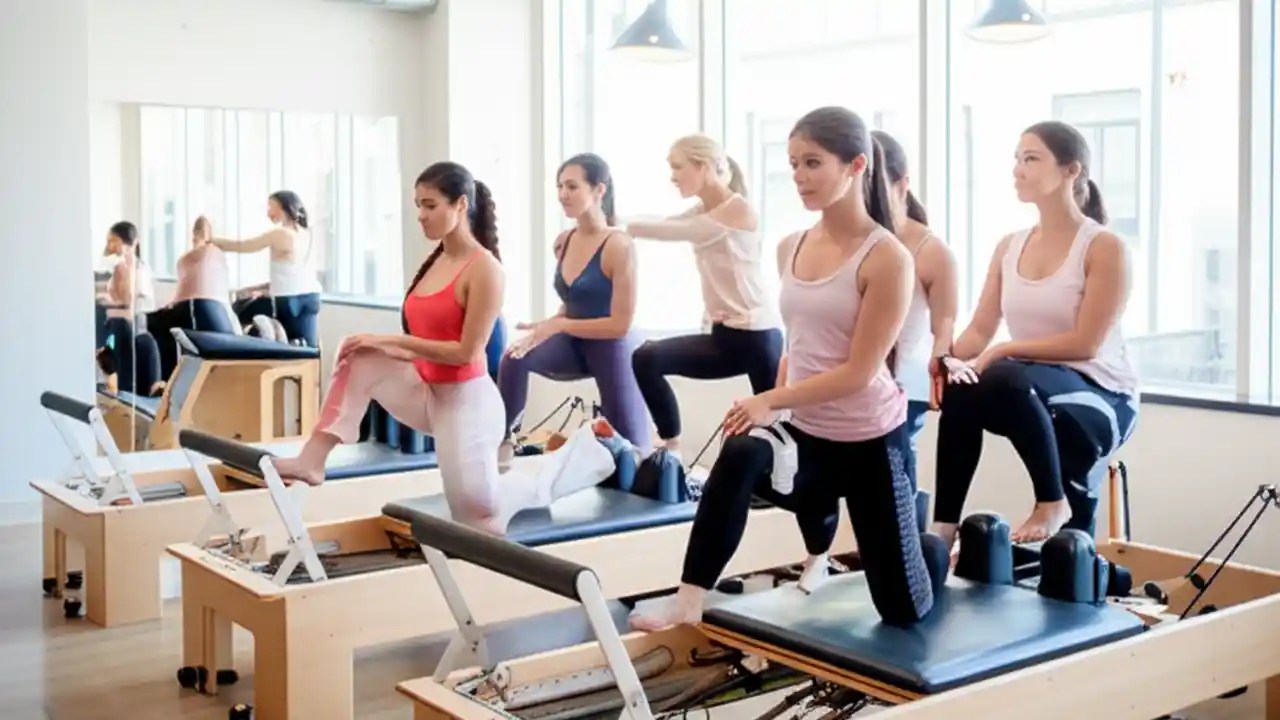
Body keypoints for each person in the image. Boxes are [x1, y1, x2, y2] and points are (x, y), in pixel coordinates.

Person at [629, 107, 948, 632]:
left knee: (903, 611)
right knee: (742, 451)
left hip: (871, 442)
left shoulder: (888, 258)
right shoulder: (791, 248)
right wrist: (774, 407)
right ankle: (688, 598)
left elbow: (860, 372)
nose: (799, 176)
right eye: (794, 163)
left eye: (813, 163)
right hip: (808, 439)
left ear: (856, 166)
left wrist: (770, 401)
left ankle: (929, 553)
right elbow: (799, 345)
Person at [271, 162, 608, 534]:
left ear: (461, 205)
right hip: (427, 393)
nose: (421, 215)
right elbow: (424, 342)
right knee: (361, 356)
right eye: (418, 205)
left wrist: (391, 340)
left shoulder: (486, 270)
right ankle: (312, 460)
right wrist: (385, 348)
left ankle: (568, 466)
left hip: (468, 404)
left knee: (480, 518)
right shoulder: (436, 261)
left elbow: (466, 353)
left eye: (430, 205)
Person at [930, 120, 1140, 549]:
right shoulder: (1010, 246)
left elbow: (1086, 344)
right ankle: (943, 529)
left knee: (1005, 371)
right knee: (964, 388)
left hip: (1104, 394)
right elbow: (980, 329)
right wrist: (942, 360)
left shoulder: (1104, 247)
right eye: (1016, 159)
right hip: (1032, 391)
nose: (1018, 169)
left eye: (1031, 158)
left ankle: (1052, 501)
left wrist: (1002, 350)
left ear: (1071, 170)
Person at [624, 134, 783, 459]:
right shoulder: (703, 210)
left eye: (678, 167)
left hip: (757, 337)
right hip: (725, 336)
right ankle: (670, 448)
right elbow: (665, 222)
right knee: (646, 357)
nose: (673, 176)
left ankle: (788, 488)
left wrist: (610, 224)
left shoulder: (737, 211)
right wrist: (610, 224)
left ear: (705, 166)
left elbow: (671, 231)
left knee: (777, 429)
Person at [497, 153, 651, 460]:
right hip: (574, 343)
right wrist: (548, 324)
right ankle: (502, 444)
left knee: (632, 449)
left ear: (599, 190)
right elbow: (573, 304)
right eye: (559, 187)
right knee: (515, 357)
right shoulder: (564, 241)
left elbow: (619, 324)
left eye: (571, 186)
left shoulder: (618, 246)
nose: (562, 195)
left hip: (612, 346)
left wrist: (560, 325)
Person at [871, 130, 958, 448]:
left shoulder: (932, 251)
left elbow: (944, 326)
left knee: (888, 477)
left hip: (904, 387)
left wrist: (941, 368)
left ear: (902, 184)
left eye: (876, 189)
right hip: (849, 386)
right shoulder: (851, 242)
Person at [213, 190, 322, 347]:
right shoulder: (308, 233)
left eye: (271, 207)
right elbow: (289, 276)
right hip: (311, 298)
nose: (268, 212)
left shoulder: (280, 233)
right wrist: (251, 289)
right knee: (307, 348)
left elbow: (243, 246)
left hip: (289, 301)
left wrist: (212, 241)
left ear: (284, 207)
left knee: (237, 313)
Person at [146, 216, 239, 380]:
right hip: (219, 314)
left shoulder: (195, 256)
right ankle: (163, 381)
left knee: (148, 323)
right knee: (157, 325)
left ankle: (161, 381)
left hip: (198, 309)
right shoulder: (218, 257)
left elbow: (185, 292)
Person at [96, 221, 162, 395]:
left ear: (129, 243)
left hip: (131, 324)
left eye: (113, 241)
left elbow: (132, 302)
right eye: (108, 241)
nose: (109, 246)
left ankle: (132, 392)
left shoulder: (138, 269)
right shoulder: (113, 268)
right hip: (115, 325)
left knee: (139, 338)